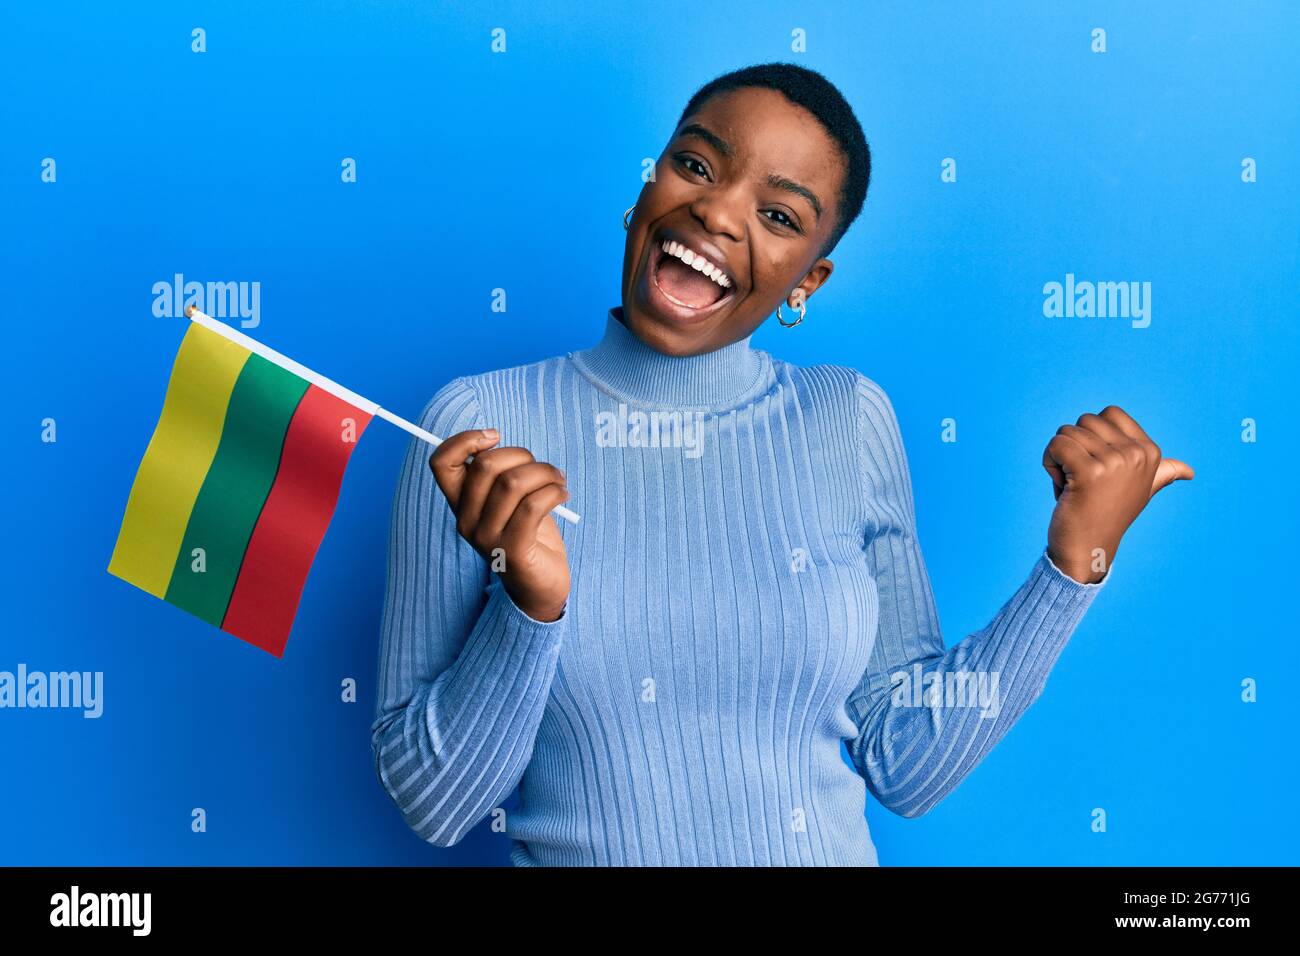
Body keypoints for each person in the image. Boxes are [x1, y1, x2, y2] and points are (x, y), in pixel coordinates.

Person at [369, 62, 1194, 866]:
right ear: (644, 191)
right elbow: (437, 805)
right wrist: (530, 606)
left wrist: (1072, 564)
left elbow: (904, 765)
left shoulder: (848, 417)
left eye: (780, 216)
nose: (719, 214)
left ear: (808, 280)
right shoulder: (480, 427)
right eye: (695, 164)